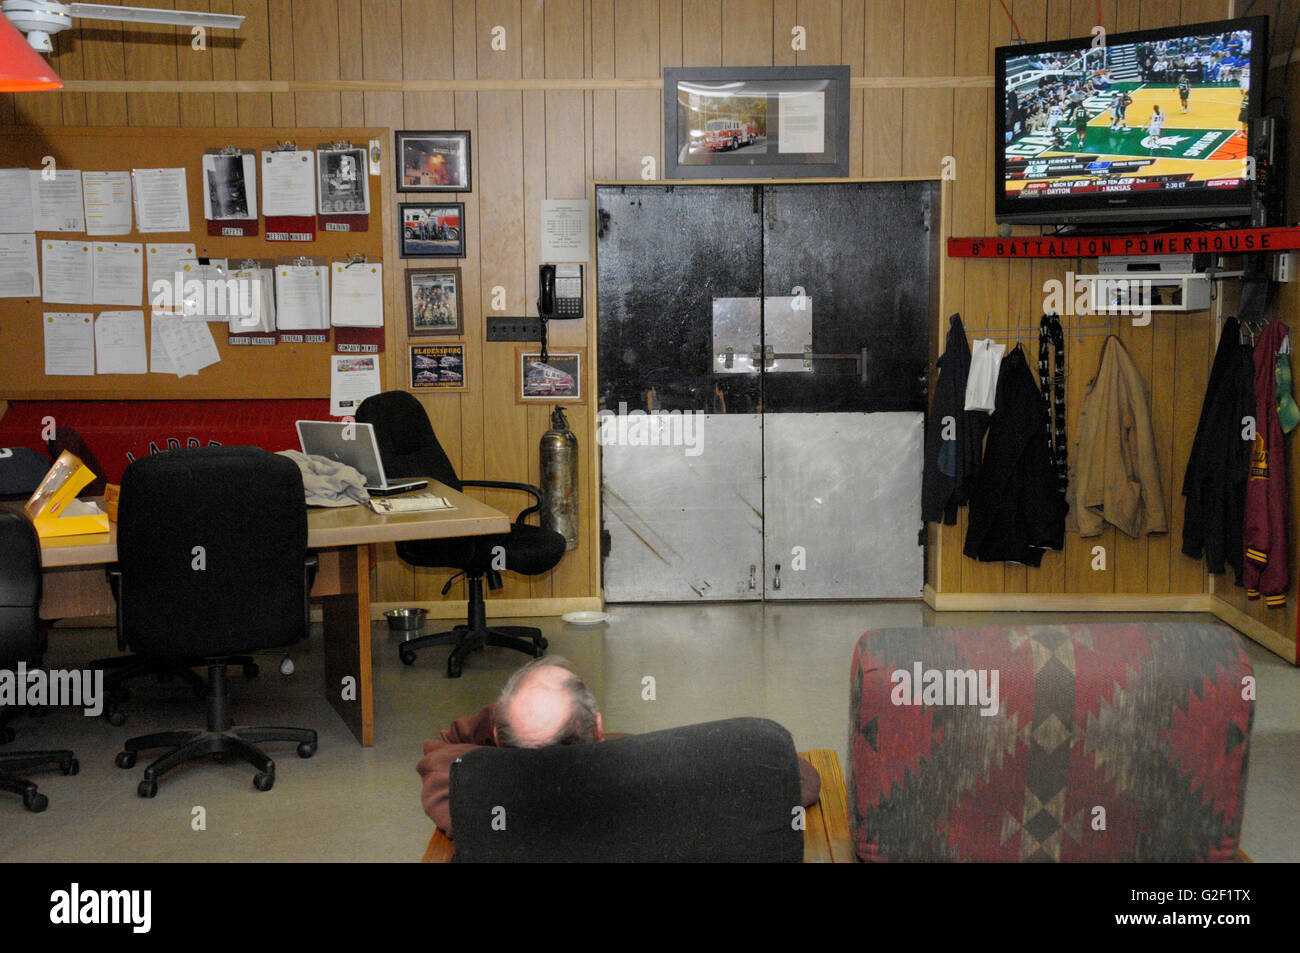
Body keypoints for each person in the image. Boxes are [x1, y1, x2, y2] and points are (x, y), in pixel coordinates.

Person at [417, 655, 822, 837]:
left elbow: (443, 748)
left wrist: (502, 723)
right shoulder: (659, 770)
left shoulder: (475, 795)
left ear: (500, 740)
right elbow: (797, 777)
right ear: (597, 727)